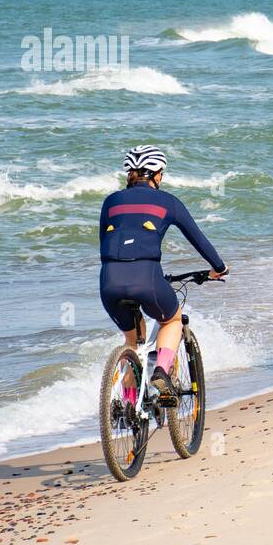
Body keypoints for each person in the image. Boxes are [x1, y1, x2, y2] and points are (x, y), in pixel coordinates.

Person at [99, 146, 228, 405]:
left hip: (109, 282)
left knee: (133, 342)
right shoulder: (168, 202)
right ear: (157, 174)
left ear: (130, 173)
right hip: (146, 279)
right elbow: (198, 239)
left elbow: (105, 242)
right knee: (171, 320)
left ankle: (129, 406)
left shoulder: (110, 201)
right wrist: (219, 267)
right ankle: (160, 373)